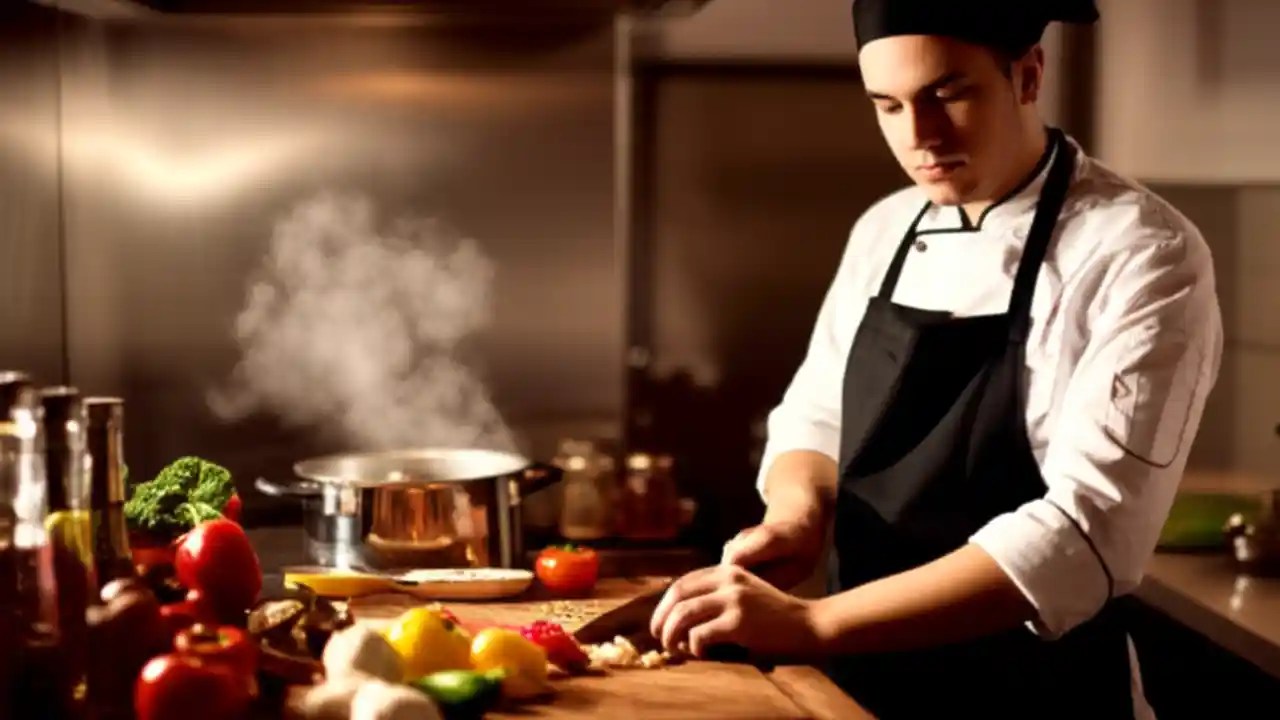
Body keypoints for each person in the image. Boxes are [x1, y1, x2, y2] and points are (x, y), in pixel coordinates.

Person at [648, 0, 1224, 717]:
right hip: (860, 688)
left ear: (1028, 75)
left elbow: (1087, 533)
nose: (919, 136)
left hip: (1038, 697)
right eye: (887, 105)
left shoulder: (1140, 251)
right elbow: (818, 414)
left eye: (947, 94)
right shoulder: (886, 228)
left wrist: (814, 623)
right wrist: (796, 514)